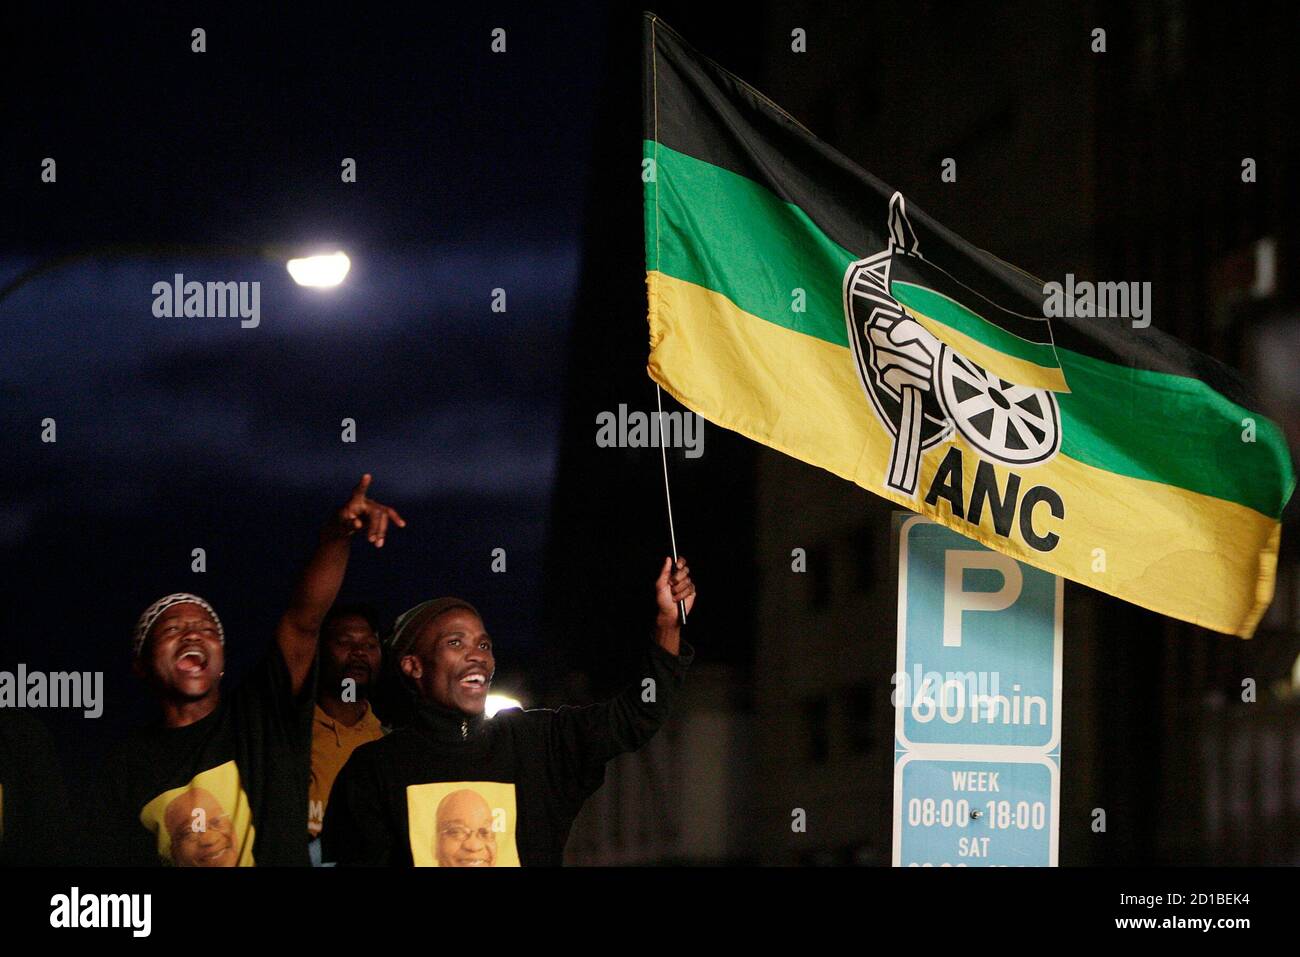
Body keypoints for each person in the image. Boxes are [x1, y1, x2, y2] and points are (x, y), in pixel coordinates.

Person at [94, 474, 405, 866]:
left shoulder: (260, 716)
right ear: (141, 665)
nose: (193, 634)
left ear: (221, 663)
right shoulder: (124, 767)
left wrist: (337, 535)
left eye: (208, 630)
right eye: (173, 629)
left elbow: (303, 621)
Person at [321, 556, 696, 866]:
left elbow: (637, 715)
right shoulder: (374, 769)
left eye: (484, 645)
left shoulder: (536, 742)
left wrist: (667, 625)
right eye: (456, 642)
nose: (477, 655)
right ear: (413, 666)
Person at [307, 602, 387, 864]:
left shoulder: (389, 743)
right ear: (317, 650)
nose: (359, 653)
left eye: (370, 645)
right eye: (345, 642)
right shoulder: (287, 734)